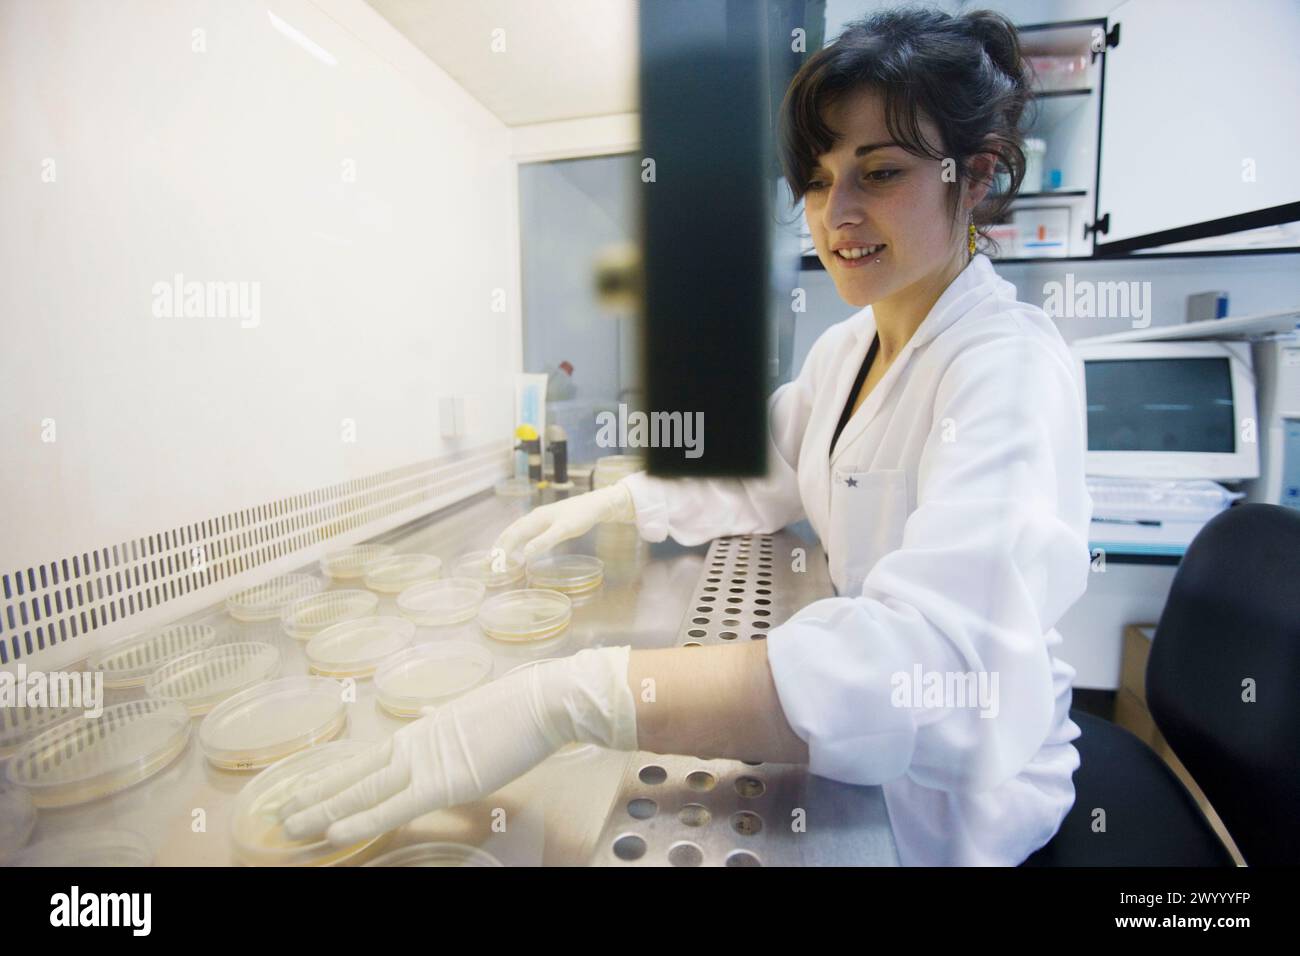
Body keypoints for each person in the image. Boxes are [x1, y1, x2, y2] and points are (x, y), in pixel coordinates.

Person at [279, 7, 1093, 867]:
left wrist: (576, 697)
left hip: (955, 806)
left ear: (976, 176)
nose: (837, 213)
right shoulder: (848, 348)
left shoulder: (1007, 370)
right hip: (869, 760)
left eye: (879, 172)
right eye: (816, 181)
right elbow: (757, 474)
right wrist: (621, 499)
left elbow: (945, 672)